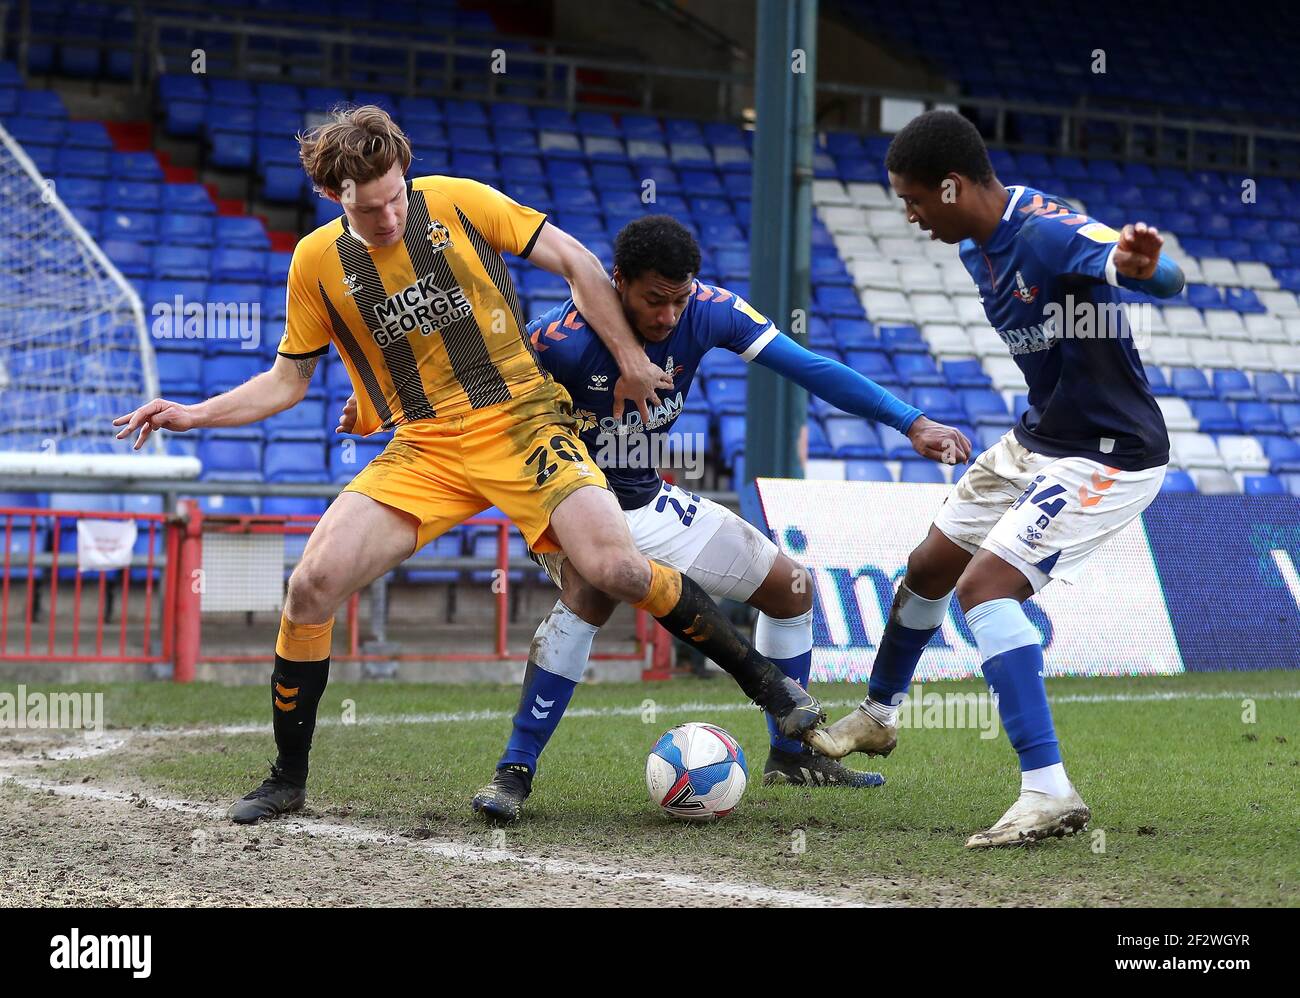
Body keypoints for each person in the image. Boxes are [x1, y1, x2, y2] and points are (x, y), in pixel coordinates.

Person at [113, 105, 823, 825]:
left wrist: (634, 359)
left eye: (395, 196)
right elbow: (289, 379)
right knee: (310, 586)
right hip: (424, 447)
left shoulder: (461, 201)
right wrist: (193, 412)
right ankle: (286, 779)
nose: (388, 216)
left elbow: (579, 263)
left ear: (405, 173)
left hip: (522, 419)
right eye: (369, 207)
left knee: (618, 572)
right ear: (335, 198)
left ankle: (767, 686)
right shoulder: (315, 263)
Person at [338, 214, 971, 821]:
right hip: (569, 504)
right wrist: (375, 406)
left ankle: (793, 754)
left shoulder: (710, 311)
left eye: (679, 299)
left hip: (649, 499)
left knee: (793, 589)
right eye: (653, 301)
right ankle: (514, 772)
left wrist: (910, 421)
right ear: (616, 280)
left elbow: (808, 367)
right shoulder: (560, 343)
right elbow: (470, 391)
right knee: (593, 588)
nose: (668, 316)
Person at [807, 110, 1184, 848]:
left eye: (913, 200)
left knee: (983, 588)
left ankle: (1049, 792)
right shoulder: (977, 247)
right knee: (928, 568)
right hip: (1038, 435)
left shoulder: (1045, 232)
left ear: (951, 187)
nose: (911, 217)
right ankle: (879, 718)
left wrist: (1147, 268)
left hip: (1108, 452)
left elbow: (1155, 274)